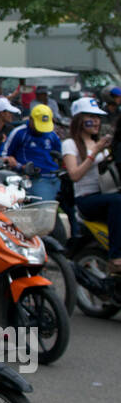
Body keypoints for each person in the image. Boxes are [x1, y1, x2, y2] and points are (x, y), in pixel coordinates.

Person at [61, 97, 121, 272]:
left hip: (106, 194)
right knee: (118, 201)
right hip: (87, 199)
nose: (96, 122)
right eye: (91, 117)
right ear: (79, 119)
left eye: (98, 118)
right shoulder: (70, 144)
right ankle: (116, 257)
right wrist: (95, 152)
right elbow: (75, 175)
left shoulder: (100, 142)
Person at [1, 104, 63, 202]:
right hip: (34, 178)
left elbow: (60, 154)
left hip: (55, 176)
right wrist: (18, 165)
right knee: (45, 205)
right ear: (31, 119)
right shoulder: (19, 133)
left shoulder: (52, 134)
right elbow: (4, 155)